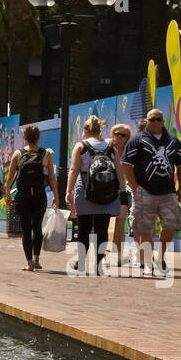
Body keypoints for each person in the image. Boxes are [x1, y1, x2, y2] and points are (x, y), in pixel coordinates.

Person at [121, 108, 181, 276]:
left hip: (168, 192)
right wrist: (135, 186)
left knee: (171, 225)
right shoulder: (137, 140)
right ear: (147, 121)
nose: (155, 122)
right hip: (145, 191)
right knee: (145, 228)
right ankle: (147, 261)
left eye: (159, 119)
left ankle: (161, 255)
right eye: (152, 119)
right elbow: (126, 164)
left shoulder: (173, 141)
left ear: (163, 121)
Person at [66, 116, 120, 275]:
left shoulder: (81, 146)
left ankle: (81, 263)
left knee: (84, 229)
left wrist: (68, 191)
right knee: (102, 230)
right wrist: (121, 191)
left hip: (85, 189)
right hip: (107, 191)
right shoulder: (111, 147)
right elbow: (119, 171)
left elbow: (74, 170)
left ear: (86, 130)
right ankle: (98, 266)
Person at [4, 124, 58, 271]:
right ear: (38, 137)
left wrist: (8, 193)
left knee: (26, 229)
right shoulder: (46, 154)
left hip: (23, 197)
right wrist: (57, 198)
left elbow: (10, 177)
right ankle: (37, 259)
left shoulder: (18, 154)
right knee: (37, 227)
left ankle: (29, 263)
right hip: (39, 196)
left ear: (25, 138)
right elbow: (52, 178)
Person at [109, 123, 133, 268]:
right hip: (107, 190)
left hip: (123, 190)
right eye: (116, 133)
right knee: (107, 222)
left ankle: (118, 256)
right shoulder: (107, 148)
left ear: (127, 138)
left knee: (120, 222)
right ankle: (105, 253)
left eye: (122, 135)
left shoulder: (129, 151)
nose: (118, 136)